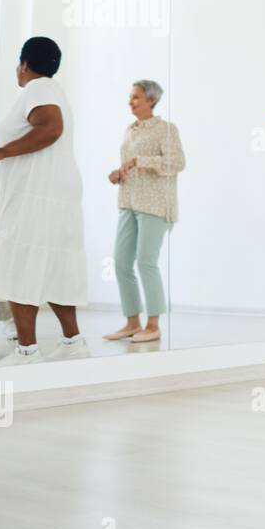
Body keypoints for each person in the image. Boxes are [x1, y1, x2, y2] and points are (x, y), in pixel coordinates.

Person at [0, 37, 90, 365]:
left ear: (23, 64)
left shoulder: (37, 89)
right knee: (51, 264)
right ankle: (72, 341)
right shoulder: (52, 89)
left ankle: (27, 350)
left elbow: (51, 128)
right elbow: (22, 137)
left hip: (36, 196)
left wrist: (1, 152)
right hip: (51, 194)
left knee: (18, 264)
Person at [104, 80, 185, 344]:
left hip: (156, 204)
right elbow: (130, 163)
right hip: (128, 201)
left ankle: (153, 325)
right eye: (130, 97)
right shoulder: (131, 130)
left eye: (136, 97)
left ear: (151, 100)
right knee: (121, 262)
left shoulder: (166, 129)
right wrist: (119, 173)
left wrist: (141, 161)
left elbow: (177, 163)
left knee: (145, 262)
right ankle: (131, 322)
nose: (131, 102)